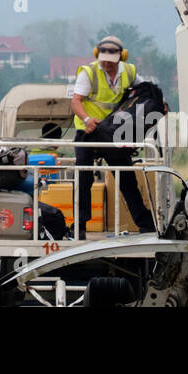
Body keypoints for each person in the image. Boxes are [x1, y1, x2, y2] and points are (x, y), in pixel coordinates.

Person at [71, 35, 155, 236]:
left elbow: (144, 90)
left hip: (111, 132)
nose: (107, 64)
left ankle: (145, 224)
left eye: (111, 60)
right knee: (83, 176)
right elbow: (76, 102)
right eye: (103, 60)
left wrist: (157, 101)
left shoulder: (129, 71)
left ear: (121, 57)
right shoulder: (88, 73)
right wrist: (86, 119)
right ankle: (80, 225)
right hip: (88, 131)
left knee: (126, 176)